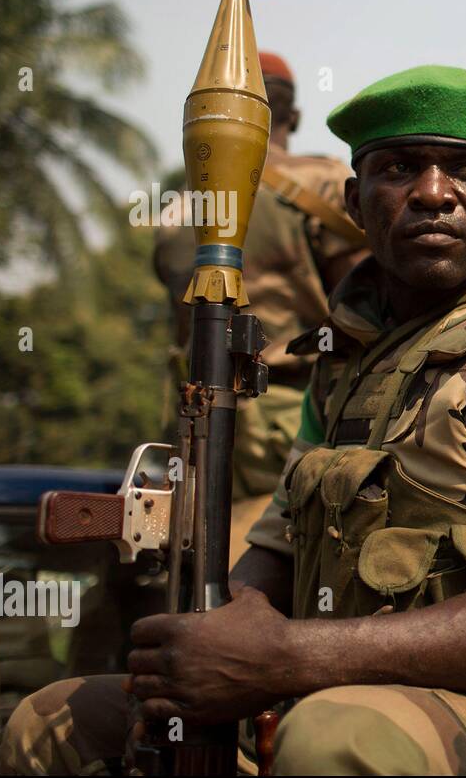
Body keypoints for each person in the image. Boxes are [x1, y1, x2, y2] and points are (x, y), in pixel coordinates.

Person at [0, 66, 466, 776]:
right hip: (336, 698)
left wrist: (289, 659)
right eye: (400, 168)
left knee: (335, 738)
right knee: (54, 722)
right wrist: (216, 643)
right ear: (354, 202)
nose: (435, 193)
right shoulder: (344, 365)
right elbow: (277, 552)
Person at [153, 51, 368, 504]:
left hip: (197, 417)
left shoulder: (178, 207)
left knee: (204, 552)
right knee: (291, 559)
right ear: (294, 115)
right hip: (296, 414)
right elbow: (365, 312)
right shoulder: (325, 184)